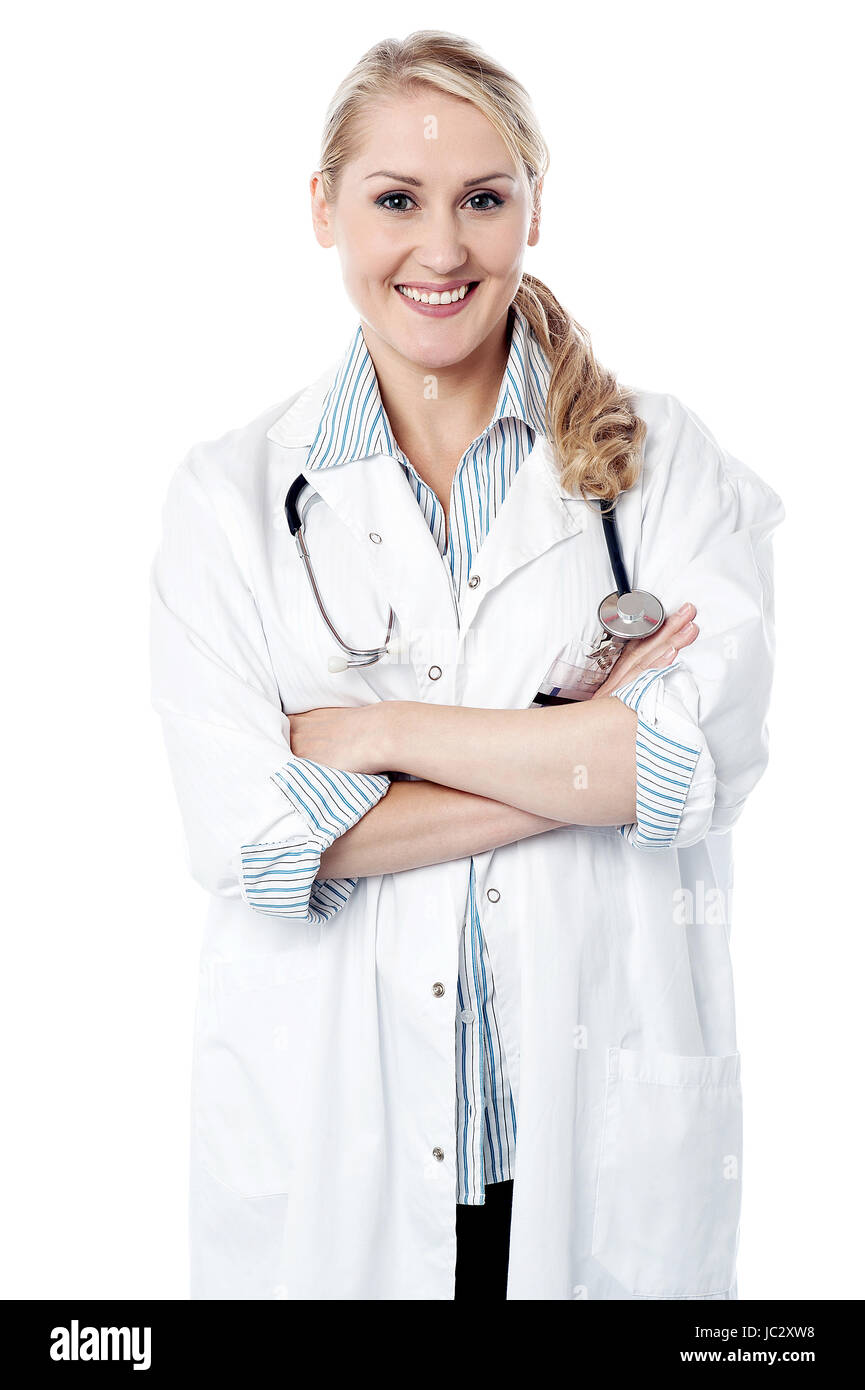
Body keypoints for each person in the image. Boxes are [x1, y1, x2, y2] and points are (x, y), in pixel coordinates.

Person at [149, 29, 784, 1301]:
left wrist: (373, 737)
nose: (440, 250)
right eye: (396, 199)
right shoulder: (227, 498)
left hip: (593, 1156)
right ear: (323, 208)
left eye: (482, 199)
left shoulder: (665, 468)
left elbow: (693, 763)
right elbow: (255, 838)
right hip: (337, 1158)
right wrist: (574, 761)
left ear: (534, 210)